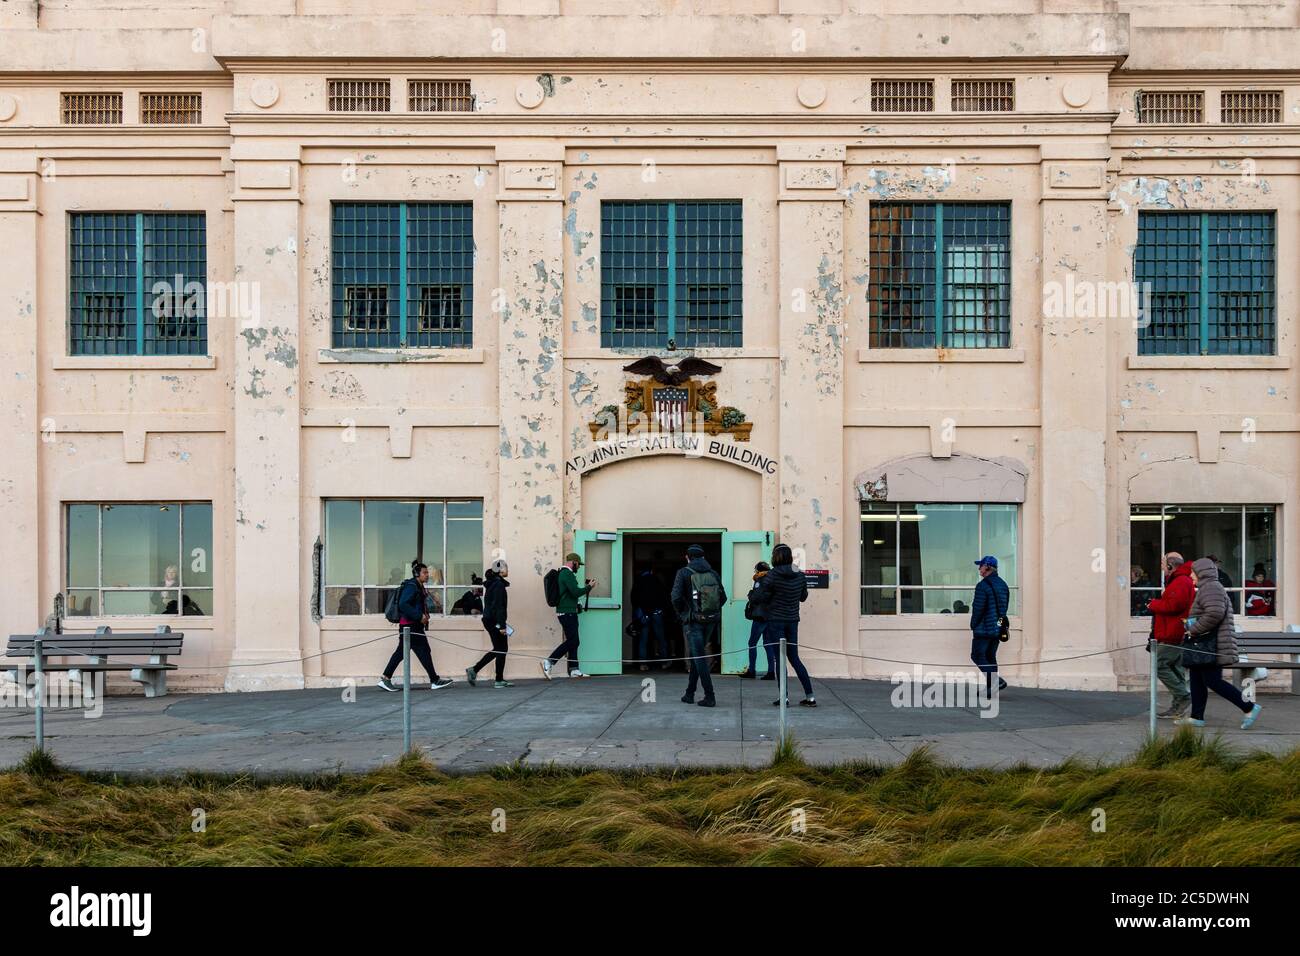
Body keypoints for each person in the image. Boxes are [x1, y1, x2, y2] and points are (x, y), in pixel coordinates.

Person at [1175, 557, 1262, 730]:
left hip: (1210, 644)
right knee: (1197, 678)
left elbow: (1214, 614)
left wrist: (1193, 629)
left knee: (1213, 681)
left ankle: (1249, 707)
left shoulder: (1211, 588)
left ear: (1202, 573)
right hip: (1205, 643)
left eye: (1193, 572)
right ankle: (1196, 717)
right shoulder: (1209, 587)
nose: (1191, 575)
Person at [377, 560, 454, 692]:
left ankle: (386, 678)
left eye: (427, 573)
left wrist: (425, 614)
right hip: (410, 626)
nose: (427, 575)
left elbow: (417, 604)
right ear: (417, 574)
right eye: (424, 573)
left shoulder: (418, 586)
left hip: (411, 626)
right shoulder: (411, 586)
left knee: (409, 652)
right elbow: (404, 604)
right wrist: (419, 616)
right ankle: (434, 680)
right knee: (421, 652)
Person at [759, 544, 815, 706]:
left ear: (775, 557)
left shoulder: (772, 575)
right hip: (792, 620)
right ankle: (810, 696)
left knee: (780, 659)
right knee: (794, 657)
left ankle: (784, 697)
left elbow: (763, 597)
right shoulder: (799, 574)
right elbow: (803, 597)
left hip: (775, 620)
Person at [671, 544, 726, 707]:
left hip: (693, 621)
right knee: (698, 655)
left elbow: (675, 597)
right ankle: (689, 693)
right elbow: (722, 597)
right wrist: (711, 612)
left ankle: (710, 696)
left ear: (687, 557)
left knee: (699, 657)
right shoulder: (713, 573)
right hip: (710, 621)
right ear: (703, 557)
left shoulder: (683, 572)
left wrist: (684, 615)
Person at [1143, 552, 1194, 718]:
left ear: (1171, 565)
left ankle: (1183, 696)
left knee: (1160, 665)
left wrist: (1153, 604)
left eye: (1164, 563)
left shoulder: (1180, 581)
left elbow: (1174, 605)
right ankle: (1178, 706)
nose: (1162, 567)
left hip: (1173, 632)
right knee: (1175, 667)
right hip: (1173, 631)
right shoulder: (1180, 580)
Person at [543, 552, 595, 679]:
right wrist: (589, 587)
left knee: (574, 641)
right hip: (567, 612)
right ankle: (548, 662)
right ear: (574, 562)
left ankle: (574, 669)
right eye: (578, 565)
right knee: (573, 640)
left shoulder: (563, 573)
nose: (579, 567)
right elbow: (576, 592)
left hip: (567, 611)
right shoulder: (567, 574)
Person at [466, 560, 512, 688]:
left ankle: (497, 678)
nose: (508, 569)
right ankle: (476, 670)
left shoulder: (494, 584)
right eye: (506, 567)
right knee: (500, 649)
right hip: (494, 621)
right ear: (500, 570)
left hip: (491, 620)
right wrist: (502, 625)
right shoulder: (498, 585)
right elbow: (498, 606)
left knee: (501, 649)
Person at [969, 555, 1010, 696]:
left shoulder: (982, 586)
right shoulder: (1003, 585)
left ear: (987, 567)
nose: (979, 568)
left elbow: (978, 609)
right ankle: (991, 689)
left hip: (983, 629)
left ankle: (996, 681)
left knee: (977, 655)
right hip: (997, 628)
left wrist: (974, 624)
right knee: (990, 656)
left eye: (980, 566)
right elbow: (1003, 609)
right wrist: (998, 626)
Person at [629, 566, 671, 671]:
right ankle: (664, 662)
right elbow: (665, 597)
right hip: (657, 612)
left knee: (643, 639)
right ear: (652, 571)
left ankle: (643, 664)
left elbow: (633, 598)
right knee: (661, 638)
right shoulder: (657, 581)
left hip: (643, 614)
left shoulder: (638, 581)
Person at [739, 561, 773, 679]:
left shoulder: (760, 580)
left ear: (758, 570)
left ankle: (752, 670)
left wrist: (750, 595)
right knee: (768, 644)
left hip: (760, 616)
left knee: (752, 643)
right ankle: (771, 672)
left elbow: (756, 597)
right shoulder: (772, 579)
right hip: (769, 616)